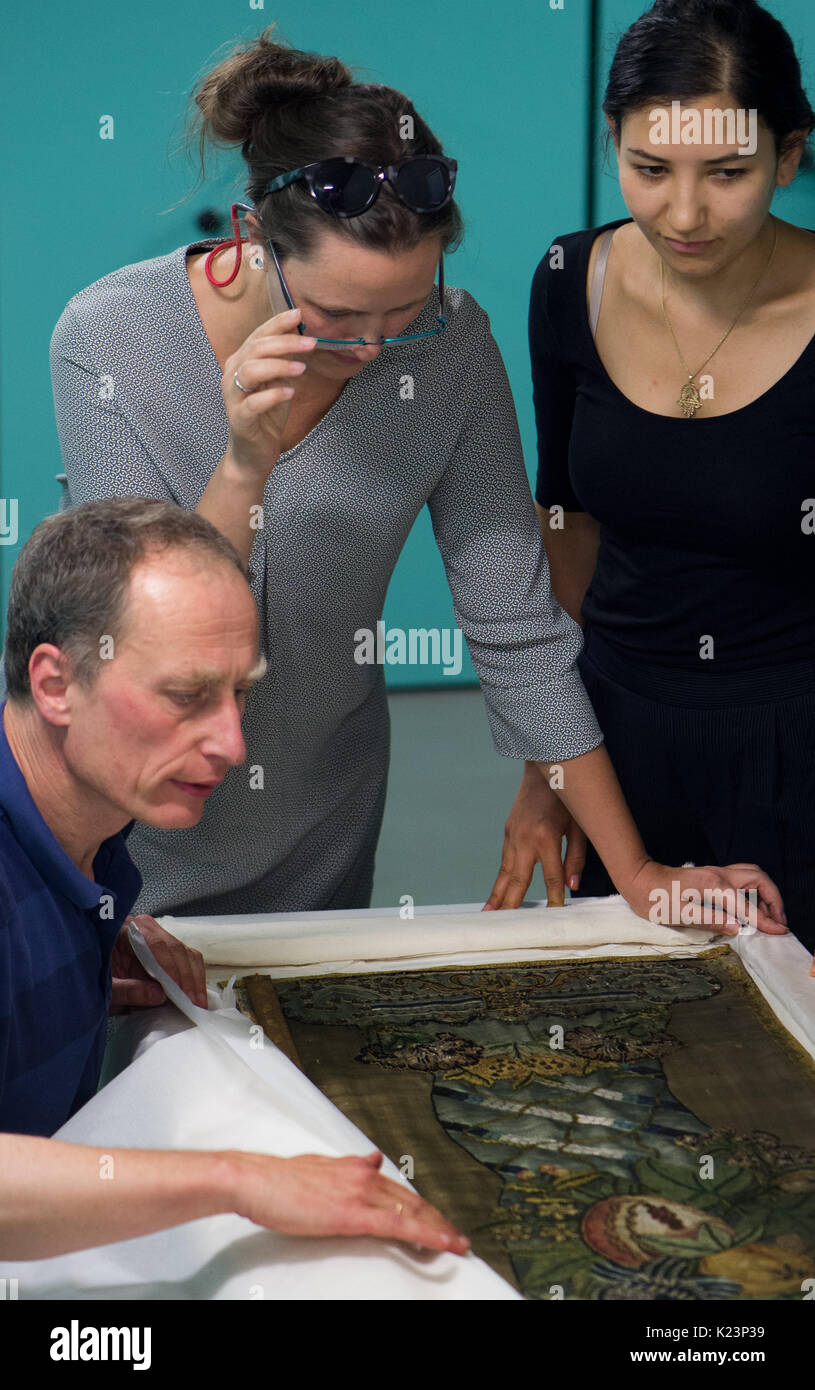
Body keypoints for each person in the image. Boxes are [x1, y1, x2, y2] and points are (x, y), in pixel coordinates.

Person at [49, 29, 785, 934]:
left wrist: (635, 872)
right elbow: (147, 642)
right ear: (253, 239)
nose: (369, 347)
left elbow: (516, 628)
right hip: (113, 827)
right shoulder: (109, 339)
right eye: (334, 315)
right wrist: (246, 461)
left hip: (318, 819)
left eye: (404, 309)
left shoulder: (450, 346)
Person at [0, 498, 468, 1258]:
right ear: (54, 684)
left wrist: (84, 955)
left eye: (240, 691)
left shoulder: (96, 828)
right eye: (186, 696)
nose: (232, 744)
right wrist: (241, 1180)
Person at [527, 0, 815, 951]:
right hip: (616, 736)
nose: (681, 215)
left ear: (788, 155)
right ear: (611, 141)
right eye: (648, 170)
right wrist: (551, 767)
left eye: (727, 175)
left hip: (793, 741)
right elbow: (564, 520)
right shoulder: (570, 278)